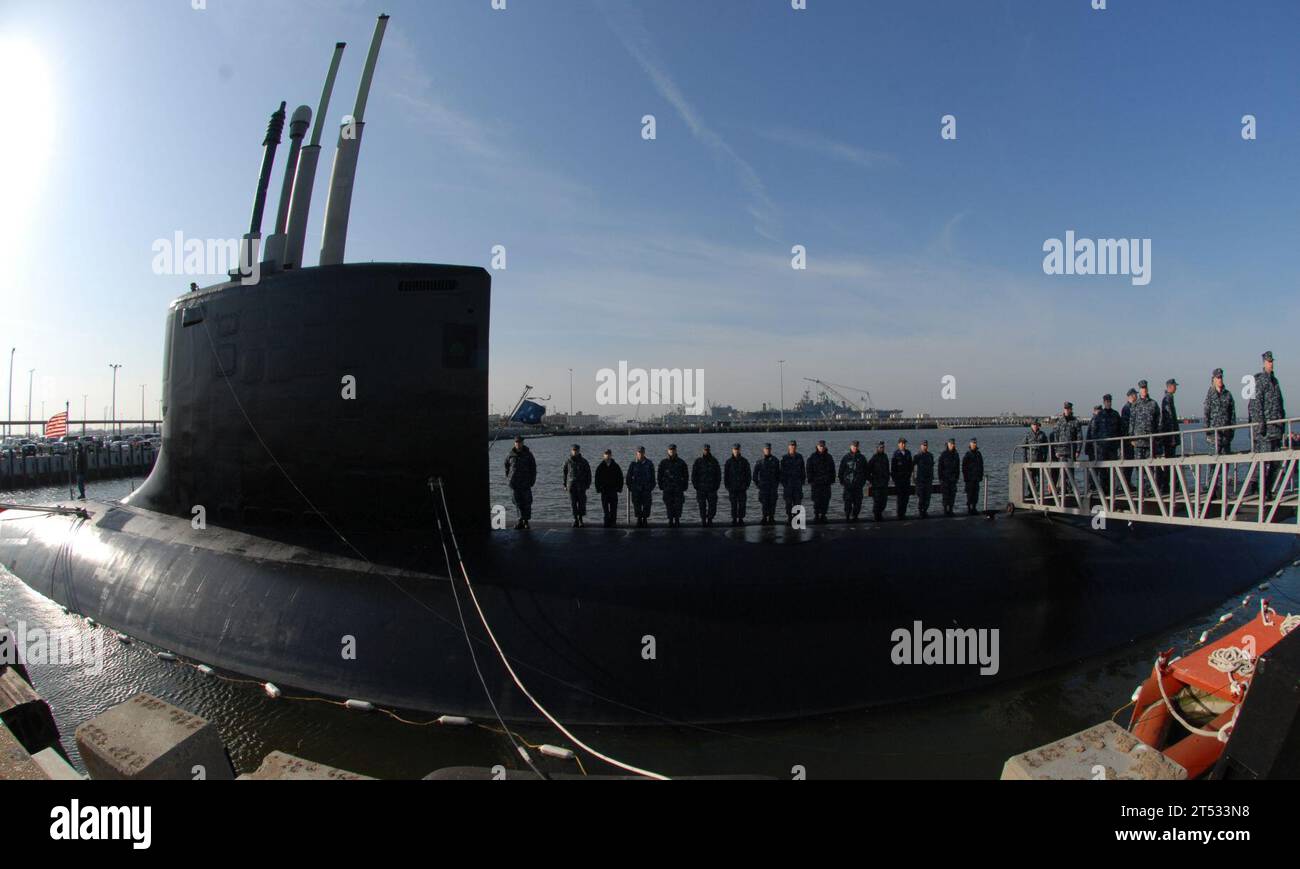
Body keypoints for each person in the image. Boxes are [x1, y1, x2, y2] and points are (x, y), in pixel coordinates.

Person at [1248, 351, 1286, 497]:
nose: (1271, 364)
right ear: (1264, 363)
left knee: (1276, 463)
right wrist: (1261, 425)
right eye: (1269, 361)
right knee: (1264, 463)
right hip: (1266, 431)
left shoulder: (1275, 381)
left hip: (1276, 429)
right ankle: (1260, 490)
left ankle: (1268, 489)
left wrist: (1282, 424)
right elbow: (1256, 405)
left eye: (1272, 361)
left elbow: (1280, 403)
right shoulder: (1260, 380)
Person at [1130, 380, 1161, 497]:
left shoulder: (1153, 404)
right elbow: (1131, 422)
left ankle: (1150, 489)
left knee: (1150, 466)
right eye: (1142, 388)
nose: (1144, 390)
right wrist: (1131, 438)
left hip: (1150, 440)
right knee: (1139, 468)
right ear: (1139, 390)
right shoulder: (1135, 405)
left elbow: (1158, 421)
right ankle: (1141, 490)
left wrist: (1157, 436)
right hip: (1138, 441)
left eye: (1145, 388)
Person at [1091, 394, 1123, 496]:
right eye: (1106, 401)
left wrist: (1118, 444)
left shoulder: (1115, 414)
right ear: (1104, 402)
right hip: (1102, 448)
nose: (1108, 402)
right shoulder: (1099, 415)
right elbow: (1094, 431)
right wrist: (1097, 445)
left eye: (1109, 401)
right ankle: (1104, 491)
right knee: (1103, 471)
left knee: (1112, 470)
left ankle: (1112, 490)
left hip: (1113, 447)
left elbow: (1120, 429)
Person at [504, 436, 537, 530]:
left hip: (525, 483)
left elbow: (533, 468)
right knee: (517, 502)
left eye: (520, 442)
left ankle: (526, 521)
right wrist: (508, 478)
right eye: (516, 442)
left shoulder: (528, 454)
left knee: (527, 502)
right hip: (514, 483)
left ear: (522, 443)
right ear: (514, 443)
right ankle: (520, 520)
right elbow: (506, 467)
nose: (518, 444)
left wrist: (532, 480)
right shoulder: (510, 454)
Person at [1203, 368, 1236, 456]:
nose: (1220, 379)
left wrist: (1232, 430)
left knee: (1226, 461)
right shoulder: (1210, 395)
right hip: (1214, 435)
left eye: (1221, 377)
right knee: (1214, 463)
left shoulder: (1228, 394)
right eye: (1218, 377)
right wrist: (1208, 431)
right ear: (1213, 379)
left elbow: (1232, 414)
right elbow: (1206, 413)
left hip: (1226, 434)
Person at [658, 444, 690, 528]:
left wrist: (685, 485)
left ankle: (677, 520)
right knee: (669, 505)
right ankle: (670, 520)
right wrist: (661, 485)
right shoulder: (663, 463)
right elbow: (659, 475)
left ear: (676, 450)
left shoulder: (681, 462)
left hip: (678, 488)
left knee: (678, 505)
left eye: (673, 449)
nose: (672, 451)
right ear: (668, 451)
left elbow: (686, 475)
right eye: (670, 449)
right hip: (667, 488)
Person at [838, 440, 869, 521]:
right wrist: (842, 482)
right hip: (848, 485)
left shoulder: (862, 458)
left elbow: (866, 471)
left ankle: (855, 516)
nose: (855, 447)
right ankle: (847, 517)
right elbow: (841, 471)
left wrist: (863, 482)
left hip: (858, 485)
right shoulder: (846, 457)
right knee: (847, 503)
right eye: (853, 446)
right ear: (850, 446)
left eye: (856, 446)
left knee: (858, 503)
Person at [562, 444, 592, 527]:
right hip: (571, 486)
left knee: (582, 503)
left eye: (576, 450)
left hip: (581, 486)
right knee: (573, 503)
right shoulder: (567, 461)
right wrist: (564, 485)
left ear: (579, 451)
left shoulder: (584, 461)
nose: (575, 452)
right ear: (571, 451)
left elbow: (588, 474)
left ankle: (580, 519)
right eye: (573, 450)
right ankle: (575, 519)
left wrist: (588, 484)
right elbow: (564, 473)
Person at [806, 439, 836, 524]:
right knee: (816, 500)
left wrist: (832, 480)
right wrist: (810, 480)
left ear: (825, 446)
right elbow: (808, 469)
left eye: (823, 446)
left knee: (825, 500)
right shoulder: (812, 457)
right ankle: (816, 515)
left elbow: (833, 470)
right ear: (817, 446)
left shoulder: (829, 457)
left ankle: (823, 515)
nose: (821, 448)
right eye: (820, 446)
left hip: (826, 483)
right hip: (816, 483)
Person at [692, 444, 722, 527]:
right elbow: (694, 474)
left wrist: (717, 485)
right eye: (705, 450)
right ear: (703, 450)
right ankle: (703, 520)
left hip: (712, 488)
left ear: (709, 450)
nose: (706, 451)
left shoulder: (714, 461)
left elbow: (718, 474)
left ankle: (710, 519)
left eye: (707, 450)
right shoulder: (698, 461)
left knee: (713, 505)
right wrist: (695, 485)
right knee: (702, 505)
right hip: (701, 488)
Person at [626, 446, 656, 527]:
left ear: (644, 453)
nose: (640, 454)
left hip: (646, 489)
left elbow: (653, 477)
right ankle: (639, 520)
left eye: (642, 452)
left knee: (647, 505)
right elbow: (628, 477)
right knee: (637, 505)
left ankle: (645, 520)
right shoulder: (633, 464)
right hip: (636, 489)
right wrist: (631, 487)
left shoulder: (649, 463)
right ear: (636, 453)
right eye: (639, 452)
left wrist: (651, 487)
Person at [594, 448, 624, 527]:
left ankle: (613, 522)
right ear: (603, 455)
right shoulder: (600, 467)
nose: (607, 456)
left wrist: (619, 488)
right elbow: (597, 479)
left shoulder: (616, 466)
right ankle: (606, 522)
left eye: (609, 454)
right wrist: (598, 489)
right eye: (606, 454)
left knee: (614, 508)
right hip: (604, 491)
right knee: (605, 508)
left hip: (613, 490)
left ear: (611, 455)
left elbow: (620, 478)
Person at [752, 443, 781, 525]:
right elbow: (755, 474)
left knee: (773, 502)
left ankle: (771, 518)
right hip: (763, 486)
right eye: (766, 449)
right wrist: (758, 484)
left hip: (773, 486)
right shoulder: (759, 461)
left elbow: (779, 474)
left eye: (768, 449)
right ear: (763, 450)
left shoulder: (775, 460)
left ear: (770, 450)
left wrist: (776, 484)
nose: (767, 450)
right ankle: (764, 517)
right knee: (764, 503)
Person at [723, 443, 751, 526]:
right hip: (732, 488)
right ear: (732, 450)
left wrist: (746, 485)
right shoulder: (729, 462)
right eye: (735, 449)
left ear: (740, 450)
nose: (736, 451)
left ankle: (741, 519)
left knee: (742, 505)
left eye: (737, 449)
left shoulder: (744, 461)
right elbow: (726, 475)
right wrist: (727, 486)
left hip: (742, 488)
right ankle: (734, 519)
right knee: (733, 504)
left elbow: (748, 475)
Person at [779, 440, 806, 524]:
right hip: (788, 484)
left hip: (797, 484)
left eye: (794, 445)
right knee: (788, 502)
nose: (793, 446)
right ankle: (789, 517)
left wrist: (802, 480)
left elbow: (803, 470)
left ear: (796, 446)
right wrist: (784, 482)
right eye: (791, 445)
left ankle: (797, 518)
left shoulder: (800, 457)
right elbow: (781, 472)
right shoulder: (784, 458)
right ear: (788, 447)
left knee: (797, 502)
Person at [866, 441, 892, 521]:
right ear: (877, 448)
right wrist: (871, 480)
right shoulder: (874, 458)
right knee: (877, 502)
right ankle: (877, 517)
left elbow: (887, 469)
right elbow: (867, 471)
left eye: (883, 447)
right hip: (876, 485)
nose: (882, 449)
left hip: (884, 483)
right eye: (880, 447)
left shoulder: (885, 457)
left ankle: (880, 514)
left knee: (884, 502)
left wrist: (887, 478)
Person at [890, 438, 914, 519]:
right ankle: (899, 514)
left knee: (906, 498)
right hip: (899, 480)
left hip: (907, 479)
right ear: (899, 444)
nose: (903, 445)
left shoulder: (908, 453)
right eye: (902, 443)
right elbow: (893, 469)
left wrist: (910, 475)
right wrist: (895, 479)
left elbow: (911, 466)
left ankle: (903, 513)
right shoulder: (896, 454)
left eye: (904, 443)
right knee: (900, 498)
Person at [937, 438, 961, 516]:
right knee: (945, 496)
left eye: (953, 444)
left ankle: (951, 510)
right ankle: (945, 510)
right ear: (948, 444)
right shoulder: (943, 454)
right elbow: (940, 467)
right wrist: (941, 478)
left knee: (952, 495)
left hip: (953, 479)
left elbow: (958, 467)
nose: (952, 445)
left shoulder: (956, 454)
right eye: (950, 444)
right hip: (945, 479)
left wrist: (957, 477)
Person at [1120, 388, 1138, 489]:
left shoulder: (1135, 407)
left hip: (1134, 439)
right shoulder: (1126, 408)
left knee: (1133, 462)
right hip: (1128, 441)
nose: (1136, 396)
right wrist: (1130, 439)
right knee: (1128, 462)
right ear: (1131, 396)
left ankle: (1128, 483)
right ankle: (1126, 484)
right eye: (1135, 394)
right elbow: (1126, 425)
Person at [962, 437, 984, 515]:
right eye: (973, 443)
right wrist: (966, 478)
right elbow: (964, 467)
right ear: (970, 444)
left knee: (976, 494)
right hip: (969, 478)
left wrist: (981, 475)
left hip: (976, 478)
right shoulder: (967, 455)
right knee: (970, 494)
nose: (974, 444)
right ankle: (969, 509)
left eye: (975, 443)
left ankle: (974, 508)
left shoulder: (979, 454)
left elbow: (981, 466)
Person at [913, 440, 934, 518]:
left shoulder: (930, 455)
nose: (925, 447)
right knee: (921, 497)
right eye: (923, 445)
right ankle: (921, 511)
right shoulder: (917, 456)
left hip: (928, 480)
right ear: (921, 446)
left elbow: (932, 467)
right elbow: (913, 467)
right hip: (920, 480)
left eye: (926, 445)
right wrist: (914, 478)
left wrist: (932, 477)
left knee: (927, 497)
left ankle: (925, 511)